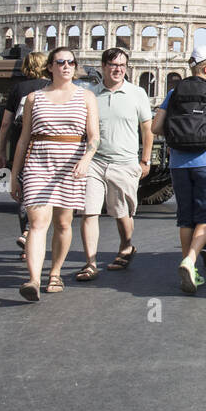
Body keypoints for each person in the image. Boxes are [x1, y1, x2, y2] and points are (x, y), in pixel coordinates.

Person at [10, 47, 100, 301]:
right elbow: (23, 138)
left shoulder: (86, 97)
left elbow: (94, 138)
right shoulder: (33, 98)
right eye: (60, 62)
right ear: (50, 67)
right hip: (38, 163)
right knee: (37, 224)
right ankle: (34, 279)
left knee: (63, 223)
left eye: (71, 62)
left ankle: (55, 273)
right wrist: (15, 173)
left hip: (71, 165)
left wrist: (86, 159)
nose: (66, 66)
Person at [152, 46, 206, 294]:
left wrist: (180, 132)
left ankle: (191, 269)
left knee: (186, 217)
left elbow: (156, 127)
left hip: (179, 164)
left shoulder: (174, 91)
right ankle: (190, 260)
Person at [75, 47, 153, 280]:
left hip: (125, 162)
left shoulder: (137, 93)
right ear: (103, 67)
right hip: (95, 162)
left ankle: (126, 245)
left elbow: (147, 129)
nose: (118, 69)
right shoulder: (91, 94)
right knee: (89, 212)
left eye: (122, 65)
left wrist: (145, 160)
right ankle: (90, 263)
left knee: (121, 213)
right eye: (113, 65)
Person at [0, 49, 50, 253]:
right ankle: (33, 235)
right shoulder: (53, 87)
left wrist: (1, 151)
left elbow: (5, 123)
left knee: (25, 193)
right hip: (49, 148)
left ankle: (28, 234)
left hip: (22, 147)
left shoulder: (18, 89)